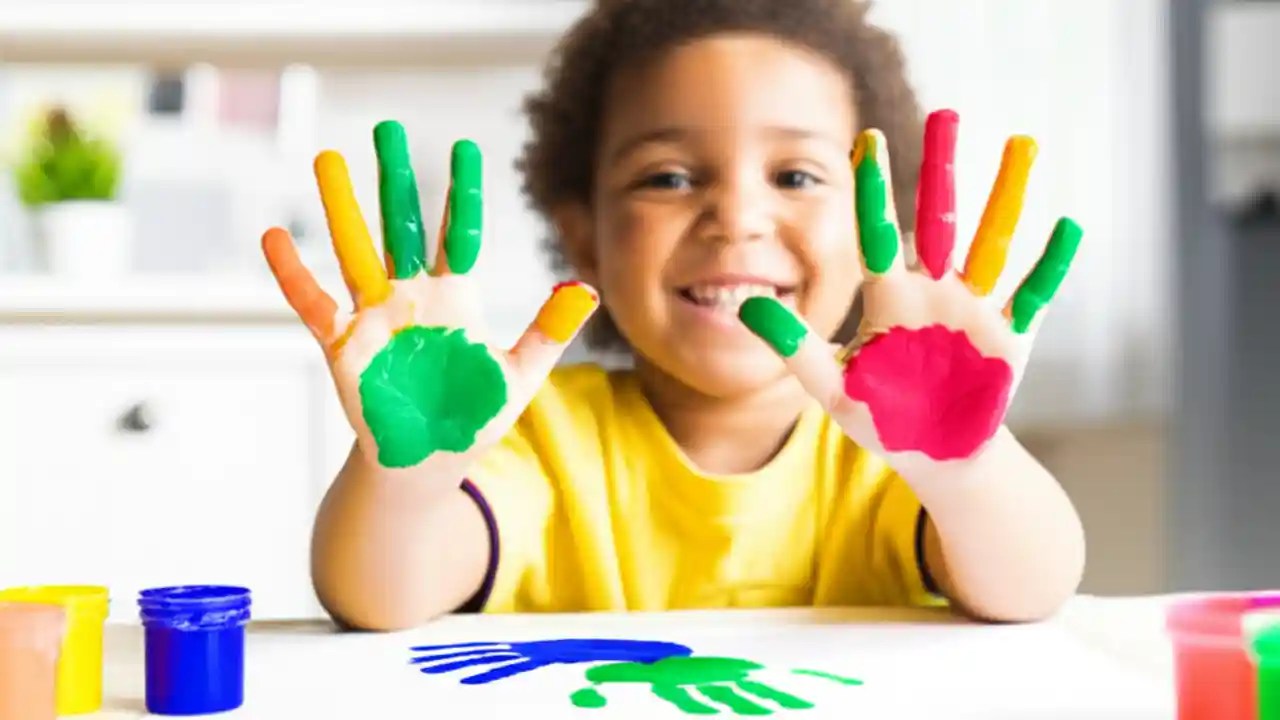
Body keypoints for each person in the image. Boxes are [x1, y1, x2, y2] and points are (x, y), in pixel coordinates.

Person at [261, 0, 1086, 632]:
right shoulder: (541, 443)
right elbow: (378, 596)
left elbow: (1034, 585)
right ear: (581, 233)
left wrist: (965, 466)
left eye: (796, 176)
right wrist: (407, 485)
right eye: (668, 177)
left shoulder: (889, 456)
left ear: (886, 232)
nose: (736, 217)